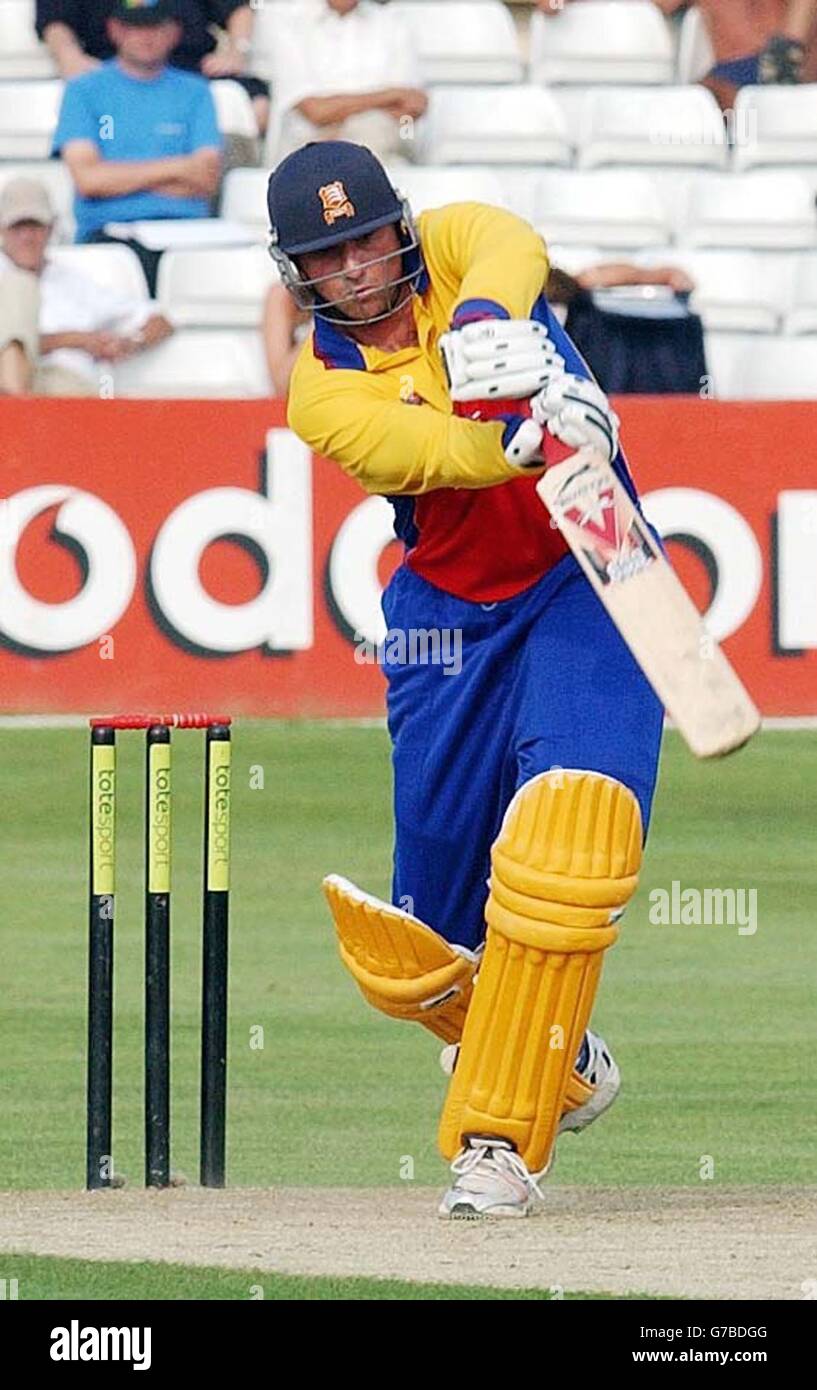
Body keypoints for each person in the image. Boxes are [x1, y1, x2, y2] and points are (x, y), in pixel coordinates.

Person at [268, 141, 664, 1218]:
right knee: (429, 945)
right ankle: (556, 1053)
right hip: (447, 617)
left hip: (586, 571)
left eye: (363, 239)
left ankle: (497, 1138)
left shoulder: (452, 245)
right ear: (296, 273)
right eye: (325, 256)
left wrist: (489, 325)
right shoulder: (322, 395)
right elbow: (431, 458)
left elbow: (510, 243)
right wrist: (522, 442)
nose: (353, 268)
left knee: (568, 834)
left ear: (397, 225)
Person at [52, 0, 222, 295]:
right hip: (110, 234)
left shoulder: (196, 91)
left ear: (173, 31)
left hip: (188, 234)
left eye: (155, 26)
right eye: (136, 26)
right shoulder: (84, 90)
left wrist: (118, 177)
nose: (146, 36)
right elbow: (89, 181)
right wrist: (179, 167)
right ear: (115, 30)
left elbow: (206, 179)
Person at [0, 178, 173, 397]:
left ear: (51, 228)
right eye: (17, 227)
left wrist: (129, 343)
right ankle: (15, 410)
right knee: (19, 287)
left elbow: (159, 319)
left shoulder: (73, 282)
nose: (26, 237)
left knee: (69, 387)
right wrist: (77, 340)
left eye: (34, 226)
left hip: (64, 387)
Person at [36, 0, 270, 132]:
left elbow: (238, 8)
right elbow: (55, 19)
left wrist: (237, 51)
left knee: (253, 104)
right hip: (111, 70)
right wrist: (69, 56)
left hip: (190, 70)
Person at [268, 0, 427, 161]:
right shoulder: (290, 23)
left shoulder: (393, 22)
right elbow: (315, 111)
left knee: (380, 137)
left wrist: (337, 110)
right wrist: (390, 95)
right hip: (310, 147)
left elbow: (413, 105)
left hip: (379, 141)